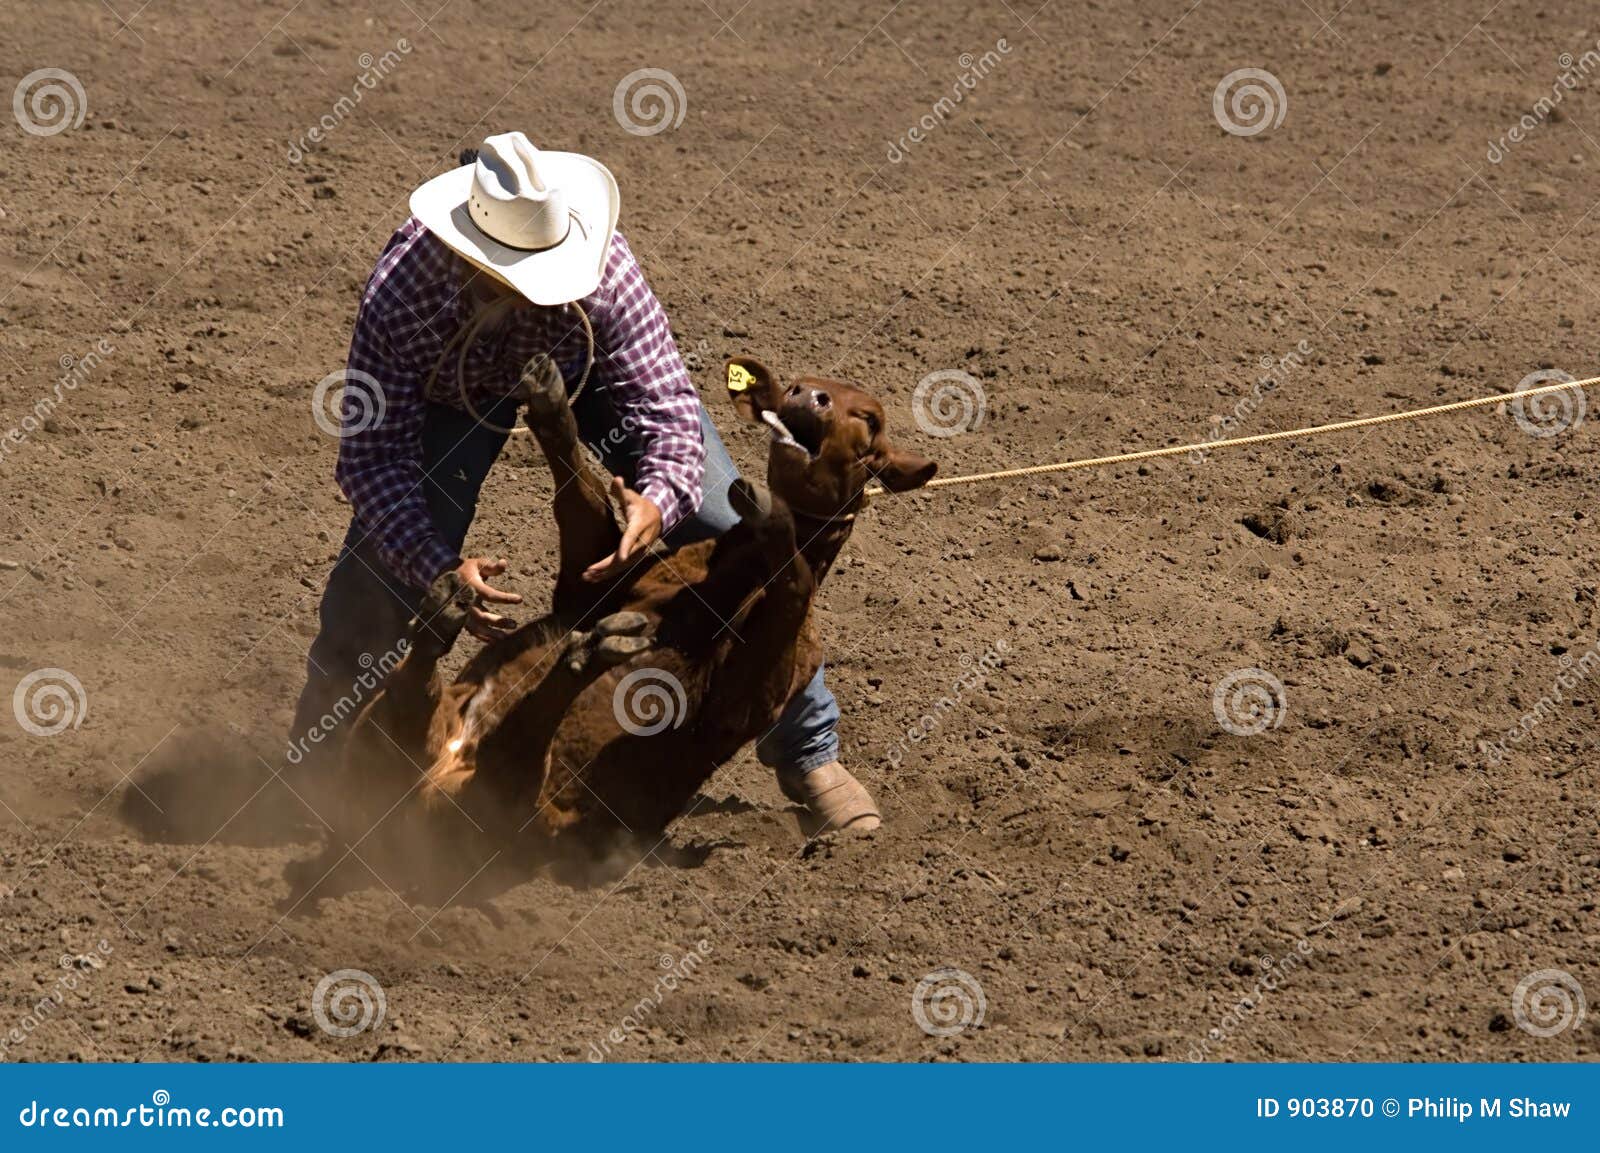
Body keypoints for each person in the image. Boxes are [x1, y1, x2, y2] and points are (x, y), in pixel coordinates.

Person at [289, 131, 880, 833]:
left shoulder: (607, 271)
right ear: (468, 260)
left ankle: (808, 745)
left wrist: (657, 501)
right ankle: (325, 758)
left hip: (589, 376)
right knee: (382, 577)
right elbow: (374, 458)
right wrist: (438, 565)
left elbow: (662, 409)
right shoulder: (403, 292)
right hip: (451, 400)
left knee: (733, 529)